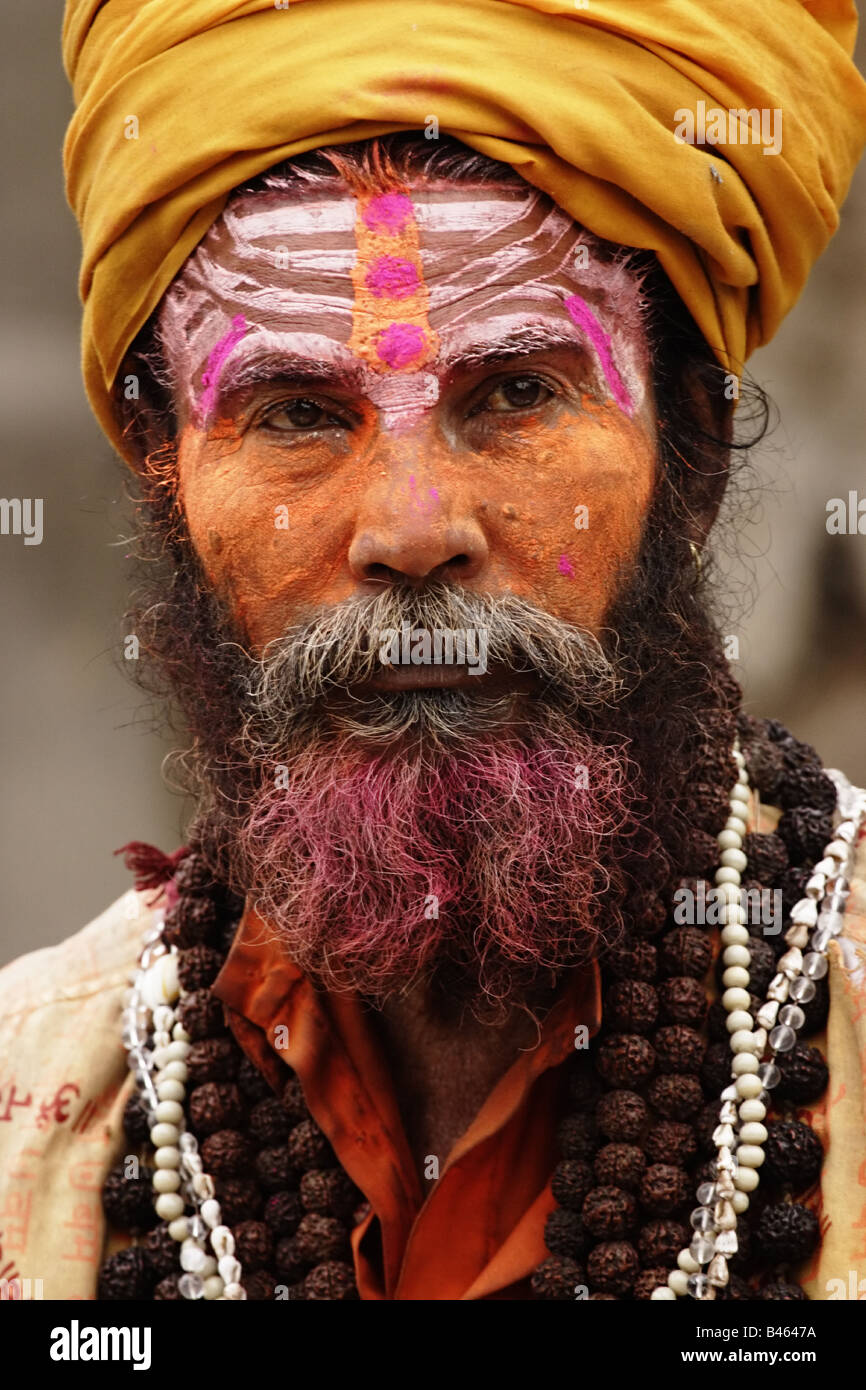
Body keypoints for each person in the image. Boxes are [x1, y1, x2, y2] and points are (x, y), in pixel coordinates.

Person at [1, 0, 865, 1303]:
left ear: (688, 450)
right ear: (160, 473)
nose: (411, 530)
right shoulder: (32, 1102)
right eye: (295, 411)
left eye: (515, 390)